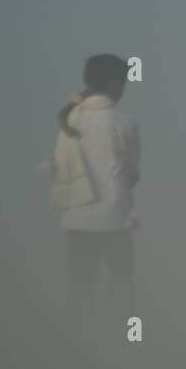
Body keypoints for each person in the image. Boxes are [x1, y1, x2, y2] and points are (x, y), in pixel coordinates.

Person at [47, 54, 141, 323]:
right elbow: (132, 173)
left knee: (80, 287)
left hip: (77, 218)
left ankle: (78, 345)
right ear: (114, 85)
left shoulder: (70, 120)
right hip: (115, 220)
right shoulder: (123, 123)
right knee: (121, 285)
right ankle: (120, 344)